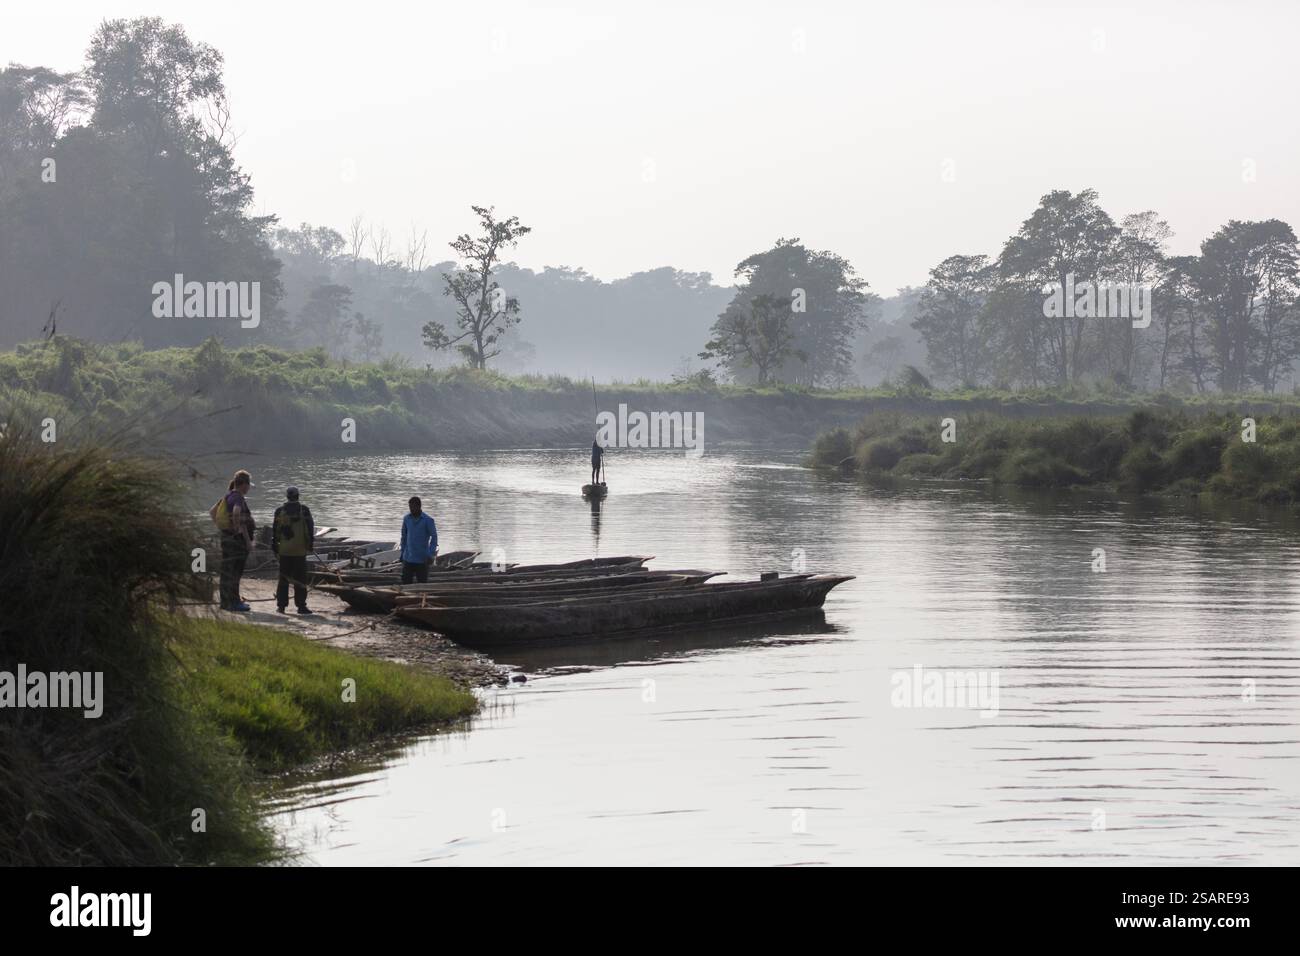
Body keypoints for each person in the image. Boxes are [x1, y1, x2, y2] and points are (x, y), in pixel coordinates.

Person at [216, 470, 255, 612]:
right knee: (235, 572)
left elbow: (212, 512)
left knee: (227, 572)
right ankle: (234, 602)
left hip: (226, 538)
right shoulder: (238, 498)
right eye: (249, 484)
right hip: (237, 542)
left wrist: (225, 529)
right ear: (244, 484)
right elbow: (237, 513)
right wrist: (241, 534)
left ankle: (225, 602)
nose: (249, 488)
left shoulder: (227, 496)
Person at [272, 486, 315, 614]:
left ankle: (281, 606)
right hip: (299, 550)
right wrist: (310, 545)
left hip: (284, 550)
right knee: (300, 579)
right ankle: (301, 606)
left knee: (283, 578)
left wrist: (275, 547)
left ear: (287, 497)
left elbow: (275, 531)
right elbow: (310, 529)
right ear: (298, 496)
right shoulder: (305, 510)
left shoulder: (279, 511)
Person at [400, 496, 438, 584]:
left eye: (413, 507)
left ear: (419, 507)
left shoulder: (428, 520)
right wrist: (402, 553)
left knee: (422, 585)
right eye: (409, 507)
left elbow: (434, 537)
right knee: (405, 584)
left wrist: (431, 554)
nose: (411, 509)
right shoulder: (406, 519)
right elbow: (404, 537)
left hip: (422, 559)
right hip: (408, 558)